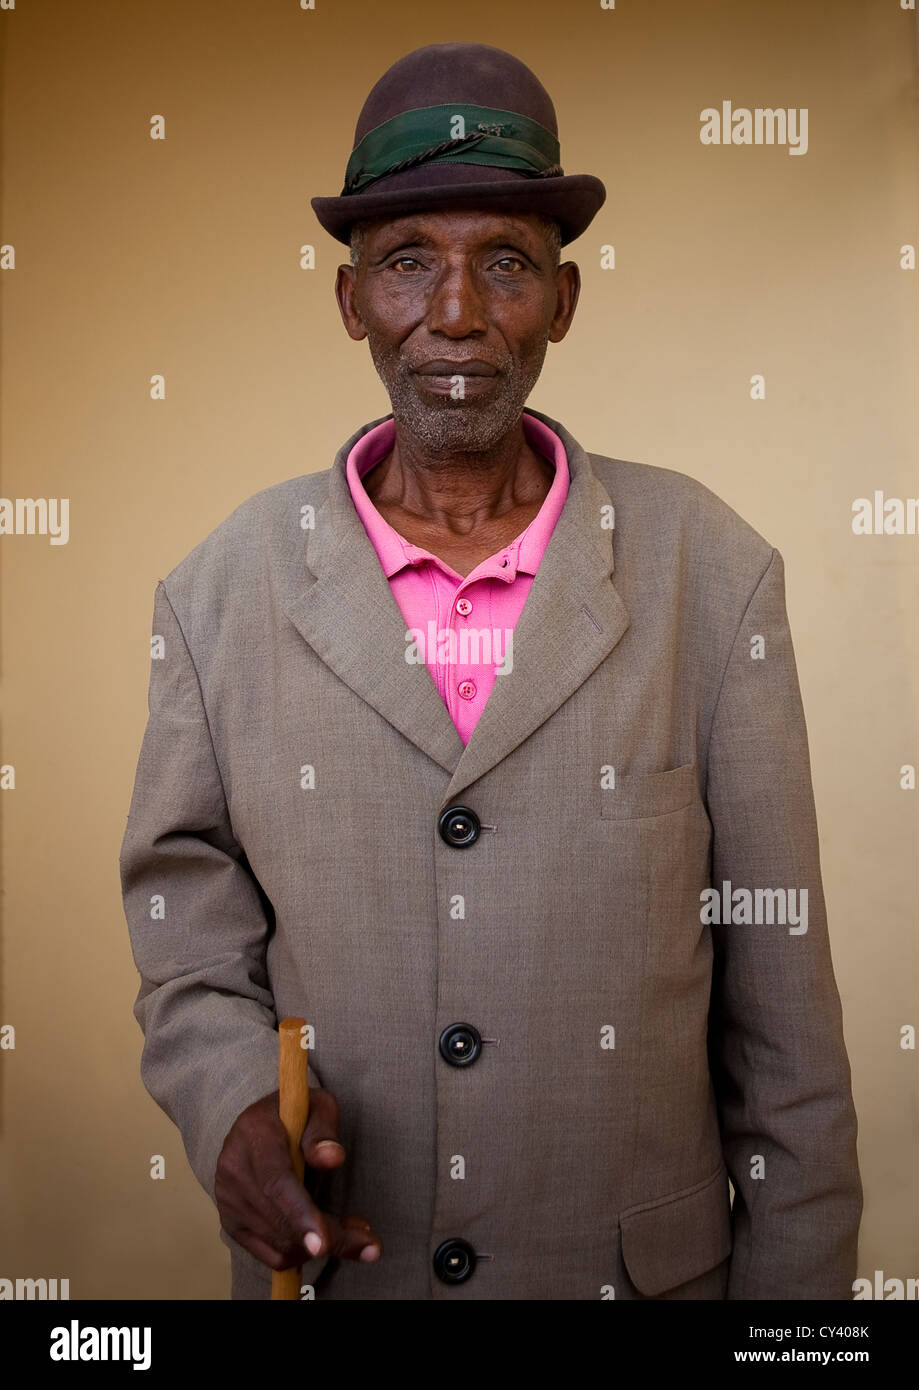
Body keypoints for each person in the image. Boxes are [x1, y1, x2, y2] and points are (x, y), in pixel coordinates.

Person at [119, 41, 862, 1300]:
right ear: (350, 301)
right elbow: (184, 932)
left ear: (562, 302)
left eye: (504, 263)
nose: (456, 312)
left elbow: (782, 1024)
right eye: (408, 262)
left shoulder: (710, 571)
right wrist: (233, 1095)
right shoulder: (219, 591)